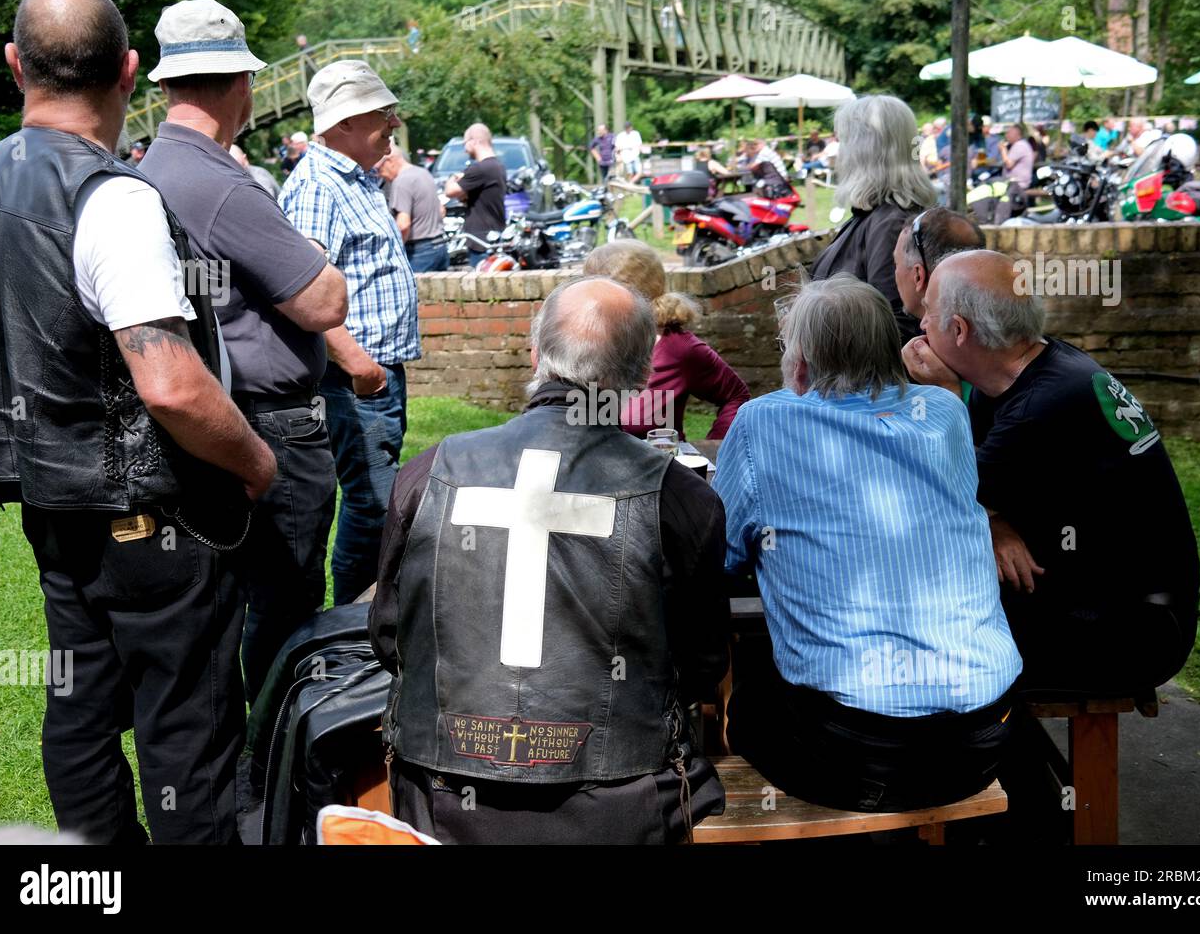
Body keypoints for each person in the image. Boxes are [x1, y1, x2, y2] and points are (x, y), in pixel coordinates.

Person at [0, 0, 277, 843]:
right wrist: (254, 461)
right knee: (188, 735)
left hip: (49, 502)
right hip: (152, 513)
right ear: (132, 70)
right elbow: (170, 384)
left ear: (14, 64)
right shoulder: (115, 197)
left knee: (79, 712)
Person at [369, 276, 730, 844]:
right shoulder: (682, 499)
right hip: (619, 804)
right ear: (640, 378)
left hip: (445, 797)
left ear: (536, 353)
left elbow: (391, 637)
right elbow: (703, 663)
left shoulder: (429, 472)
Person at [713, 274, 1022, 812]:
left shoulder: (763, 421)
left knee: (744, 703)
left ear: (801, 360)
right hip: (984, 740)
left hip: (854, 757)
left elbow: (722, 557)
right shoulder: (945, 412)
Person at [140, 0, 350, 705]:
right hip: (271, 425)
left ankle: (236, 765)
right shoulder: (220, 183)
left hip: (208, 421)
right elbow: (324, 302)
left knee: (226, 607)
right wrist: (316, 254)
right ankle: (273, 765)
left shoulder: (149, 169)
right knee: (285, 607)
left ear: (168, 84)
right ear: (241, 84)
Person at [902, 251, 1200, 693]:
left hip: (1133, 633)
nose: (921, 325)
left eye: (928, 313)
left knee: (921, 641)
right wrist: (993, 520)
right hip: (1098, 599)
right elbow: (972, 486)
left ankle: (982, 758)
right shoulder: (1032, 368)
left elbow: (939, 495)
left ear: (959, 330)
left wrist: (944, 399)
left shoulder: (1043, 406)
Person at [280, 60, 419, 606]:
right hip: (355, 378)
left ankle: (363, 618)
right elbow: (301, 292)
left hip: (373, 375)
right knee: (373, 506)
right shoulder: (319, 186)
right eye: (382, 114)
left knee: (375, 502)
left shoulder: (353, 180)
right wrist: (359, 365)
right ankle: (354, 625)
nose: (393, 122)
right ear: (345, 123)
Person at [583, 240, 750, 440]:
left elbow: (736, 397)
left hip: (656, 468)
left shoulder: (677, 349)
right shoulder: (578, 342)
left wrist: (712, 451)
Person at [810, 95, 936, 344]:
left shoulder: (891, 223)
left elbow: (894, 324)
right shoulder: (879, 215)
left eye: (843, 141)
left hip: (864, 379)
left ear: (863, 150)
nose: (840, 152)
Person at [893, 206, 986, 323]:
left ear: (918, 276)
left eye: (896, 263)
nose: (895, 273)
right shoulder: (999, 324)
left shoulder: (940, 340)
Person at [444, 122, 505, 268]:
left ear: (474, 141)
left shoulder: (480, 168)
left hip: (481, 242)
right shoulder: (497, 166)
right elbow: (466, 196)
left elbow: (450, 192)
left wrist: (452, 177)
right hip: (492, 236)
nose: (465, 150)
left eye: (465, 143)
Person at [383, 148, 448, 272]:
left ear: (390, 161)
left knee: (415, 291)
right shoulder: (424, 173)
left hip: (420, 252)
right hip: (440, 247)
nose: (380, 175)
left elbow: (403, 225)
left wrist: (394, 253)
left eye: (379, 169)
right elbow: (441, 210)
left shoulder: (401, 181)